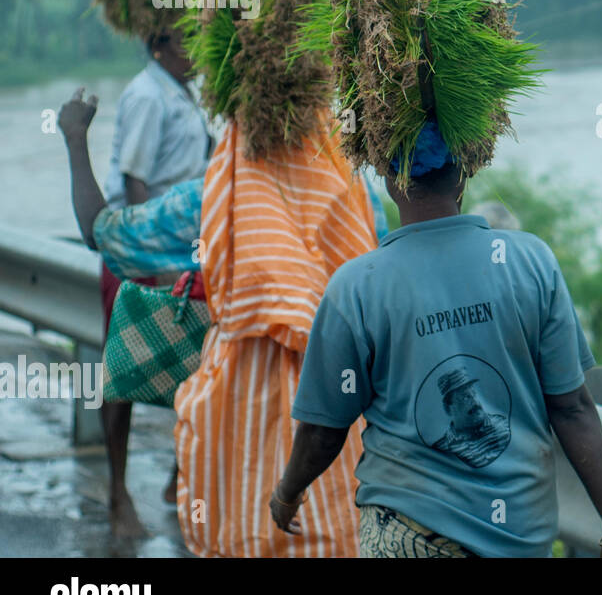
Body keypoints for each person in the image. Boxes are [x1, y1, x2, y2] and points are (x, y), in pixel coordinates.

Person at [270, 123, 602, 558]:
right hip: (523, 537)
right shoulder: (530, 261)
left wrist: (288, 492)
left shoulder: (357, 286)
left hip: (409, 534)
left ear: (390, 180)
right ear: (465, 172)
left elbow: (323, 431)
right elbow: (573, 408)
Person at [58, 87, 390, 555]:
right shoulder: (355, 194)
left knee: (243, 535)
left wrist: (75, 139)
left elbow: (103, 234)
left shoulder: (219, 192)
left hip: (237, 437)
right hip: (340, 432)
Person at [93, 0, 214, 537]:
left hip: (181, 249)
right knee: (121, 372)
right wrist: (152, 260)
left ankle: (175, 476)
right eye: (187, 36)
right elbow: (135, 182)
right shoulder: (147, 95)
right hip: (141, 250)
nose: (197, 45)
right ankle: (117, 492)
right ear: (162, 42)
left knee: (188, 364)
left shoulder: (183, 93)